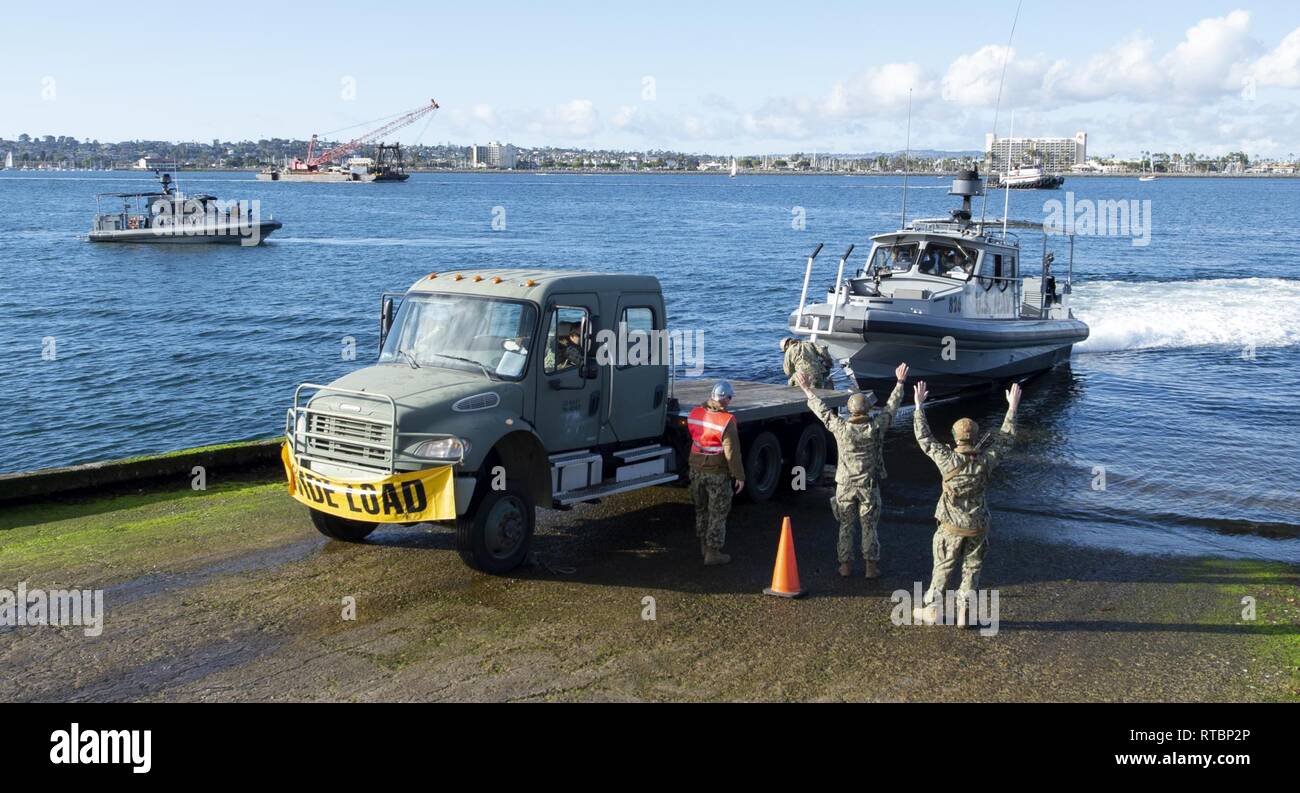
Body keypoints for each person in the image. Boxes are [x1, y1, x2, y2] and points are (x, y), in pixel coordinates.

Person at [911, 380, 1022, 626]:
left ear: (955, 437)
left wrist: (919, 406)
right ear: (976, 437)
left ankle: (932, 610)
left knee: (943, 566)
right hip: (978, 525)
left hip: (950, 526)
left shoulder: (946, 460)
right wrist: (1012, 408)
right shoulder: (986, 461)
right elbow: (1006, 440)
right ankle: (964, 614)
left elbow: (924, 438)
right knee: (972, 569)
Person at [797, 363, 908, 578]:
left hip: (845, 486)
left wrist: (807, 389)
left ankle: (845, 566)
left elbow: (822, 412)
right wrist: (900, 383)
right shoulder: (876, 429)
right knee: (869, 527)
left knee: (845, 526)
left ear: (850, 410)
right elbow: (891, 408)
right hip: (869, 486)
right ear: (867, 409)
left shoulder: (842, 429)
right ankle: (870, 568)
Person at [686, 380, 746, 566]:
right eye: (729, 398)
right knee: (717, 512)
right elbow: (732, 453)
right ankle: (713, 552)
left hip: (696, 470)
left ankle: (704, 545)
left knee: (701, 509)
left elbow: (694, 435)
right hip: (716, 473)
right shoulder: (727, 421)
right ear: (726, 399)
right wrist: (739, 476)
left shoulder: (695, 413)